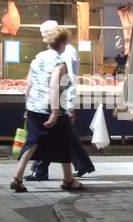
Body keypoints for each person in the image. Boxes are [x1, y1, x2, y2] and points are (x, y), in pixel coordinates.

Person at [9, 26, 84, 193]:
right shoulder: (59, 62)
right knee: (63, 142)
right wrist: (55, 113)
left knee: (33, 142)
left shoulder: (37, 58)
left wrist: (27, 106)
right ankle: (68, 180)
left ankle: (18, 177)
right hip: (51, 108)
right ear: (63, 43)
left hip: (35, 106)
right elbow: (55, 86)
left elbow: (29, 83)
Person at [27, 22, 95, 182]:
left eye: (45, 35)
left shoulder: (67, 53)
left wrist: (68, 105)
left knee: (51, 136)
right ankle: (79, 167)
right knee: (62, 136)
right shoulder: (56, 52)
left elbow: (68, 79)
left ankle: (41, 170)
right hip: (55, 102)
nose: (44, 39)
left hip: (60, 102)